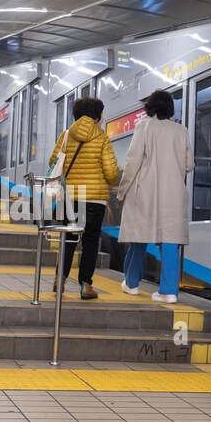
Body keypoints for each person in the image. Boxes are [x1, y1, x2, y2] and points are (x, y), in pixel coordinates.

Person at [115, 89, 193, 304]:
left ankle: (131, 283)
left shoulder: (144, 126)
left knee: (139, 237)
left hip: (145, 192)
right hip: (173, 194)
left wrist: (122, 191)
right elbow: (189, 164)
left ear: (150, 106)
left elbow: (132, 162)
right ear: (170, 108)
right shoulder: (181, 131)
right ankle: (168, 291)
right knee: (170, 240)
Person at [47, 96, 119, 299]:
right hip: (94, 199)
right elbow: (112, 172)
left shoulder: (66, 134)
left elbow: (53, 161)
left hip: (69, 196)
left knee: (68, 239)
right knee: (90, 241)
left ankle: (59, 280)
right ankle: (86, 286)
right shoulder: (102, 137)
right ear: (97, 116)